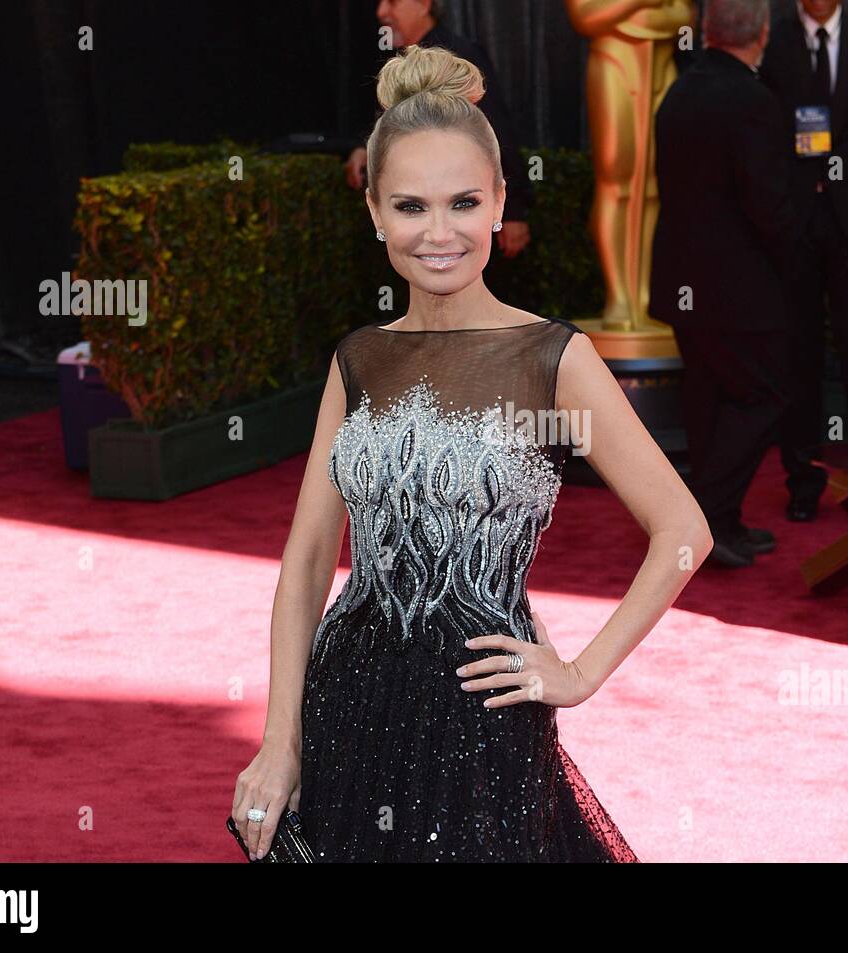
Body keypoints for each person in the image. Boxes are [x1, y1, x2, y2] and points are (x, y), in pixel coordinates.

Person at [231, 44, 713, 860]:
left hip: (484, 711)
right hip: (348, 699)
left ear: (498, 203)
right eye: (411, 207)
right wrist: (280, 739)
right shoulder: (358, 360)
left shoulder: (553, 359)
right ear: (376, 215)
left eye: (462, 202)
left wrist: (583, 671)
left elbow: (684, 530)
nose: (439, 232)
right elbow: (309, 557)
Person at [649, 0, 795, 568]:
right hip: (740, 284)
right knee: (763, 396)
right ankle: (708, 518)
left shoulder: (678, 93)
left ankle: (717, 523)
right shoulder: (753, 100)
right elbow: (765, 203)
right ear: (761, 34)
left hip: (686, 278)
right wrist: (794, 255)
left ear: (706, 30)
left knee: (707, 397)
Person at [759, 0, 848, 522]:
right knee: (798, 355)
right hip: (793, 221)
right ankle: (803, 479)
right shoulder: (773, 42)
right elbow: (760, 126)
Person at [343, 0, 532, 258]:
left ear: (423, 4)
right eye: (409, 206)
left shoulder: (460, 57)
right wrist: (365, 147)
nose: (381, 12)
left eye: (393, 2)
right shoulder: (391, 59)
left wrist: (512, 211)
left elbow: (497, 132)